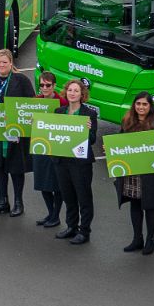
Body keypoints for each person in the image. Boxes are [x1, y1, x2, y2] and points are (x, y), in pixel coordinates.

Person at [0, 49, 35, 217]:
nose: (2, 65)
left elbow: (30, 105)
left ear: (11, 63)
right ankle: (3, 201)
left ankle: (18, 202)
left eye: (5, 62)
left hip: (14, 133)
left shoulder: (21, 80)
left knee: (15, 168)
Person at [116, 91, 154, 255]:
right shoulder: (127, 121)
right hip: (132, 171)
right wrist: (111, 149)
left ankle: (150, 240)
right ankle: (137, 239)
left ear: (150, 106)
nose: (141, 107)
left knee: (150, 206)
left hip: (150, 172)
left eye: (144, 104)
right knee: (135, 204)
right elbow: (120, 140)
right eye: (138, 104)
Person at [54, 80, 99, 245]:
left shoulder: (89, 114)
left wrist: (87, 130)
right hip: (62, 161)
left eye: (76, 91)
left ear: (82, 95)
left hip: (80, 163)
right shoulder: (59, 112)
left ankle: (84, 230)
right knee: (68, 196)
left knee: (83, 197)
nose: (72, 93)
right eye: (70, 90)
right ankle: (71, 226)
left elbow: (92, 140)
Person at [32, 71, 65, 228]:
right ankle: (51, 213)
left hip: (57, 147)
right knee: (42, 183)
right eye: (42, 85)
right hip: (40, 146)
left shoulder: (63, 103)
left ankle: (56, 215)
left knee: (57, 184)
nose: (45, 88)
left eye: (48, 85)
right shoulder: (35, 102)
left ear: (54, 86)